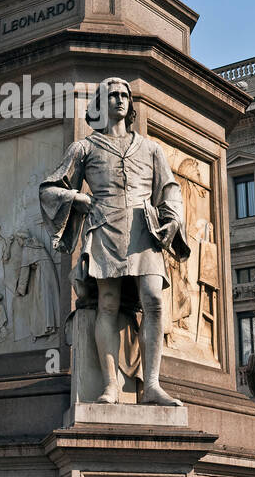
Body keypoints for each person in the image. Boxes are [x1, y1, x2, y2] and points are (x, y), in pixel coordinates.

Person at [40, 77, 189, 406]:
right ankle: (110, 385)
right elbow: (49, 189)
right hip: (105, 227)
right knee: (107, 304)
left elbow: (169, 189)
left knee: (153, 300)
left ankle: (151, 385)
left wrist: (173, 219)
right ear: (101, 104)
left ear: (131, 105)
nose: (120, 99)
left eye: (125, 95)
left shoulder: (151, 148)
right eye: (112, 95)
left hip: (143, 229)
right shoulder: (85, 147)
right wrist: (77, 198)